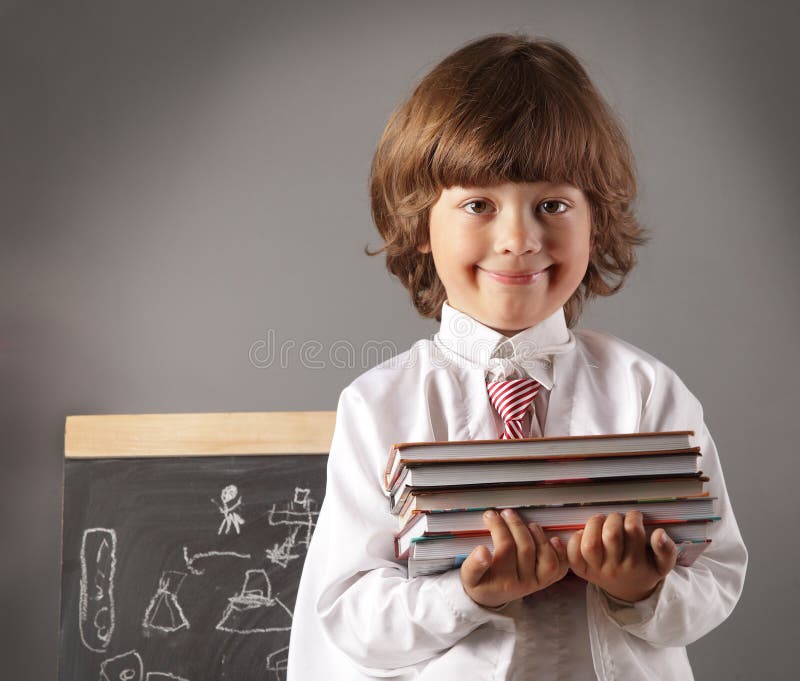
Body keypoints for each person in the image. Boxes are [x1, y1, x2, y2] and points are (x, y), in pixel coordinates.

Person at [287, 33, 747, 680]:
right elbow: (348, 611)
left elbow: (718, 575)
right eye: (478, 204)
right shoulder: (379, 406)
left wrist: (641, 588)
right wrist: (466, 593)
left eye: (553, 204)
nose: (519, 239)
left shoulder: (647, 392)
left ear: (597, 220)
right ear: (421, 225)